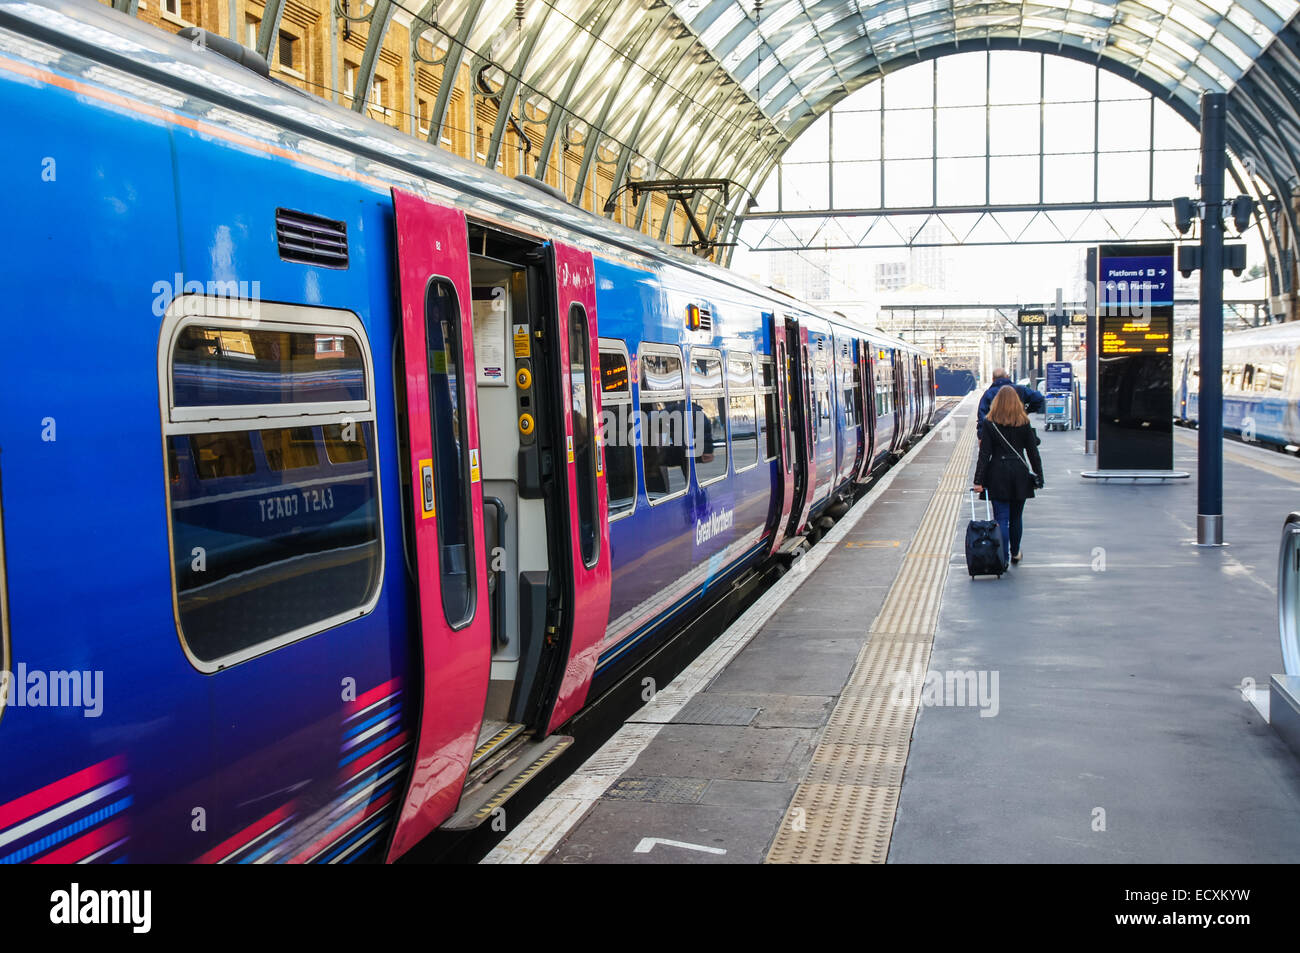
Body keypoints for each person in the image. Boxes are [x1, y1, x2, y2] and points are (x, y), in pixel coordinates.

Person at [973, 385, 1044, 566]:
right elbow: (1033, 452)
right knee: (1016, 518)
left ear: (996, 403)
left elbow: (984, 454)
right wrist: (1039, 475)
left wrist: (978, 481)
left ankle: (1001, 558)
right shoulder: (1024, 422)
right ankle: (1015, 552)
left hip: (997, 474)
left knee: (1001, 519)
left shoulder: (990, 423)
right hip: (1019, 473)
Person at [976, 368, 1045, 440]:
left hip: (996, 433)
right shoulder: (1020, 389)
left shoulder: (988, 394)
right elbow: (1038, 398)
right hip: (1018, 427)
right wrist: (1026, 411)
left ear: (993, 379)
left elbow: (982, 416)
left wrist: (981, 436)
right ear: (1007, 377)